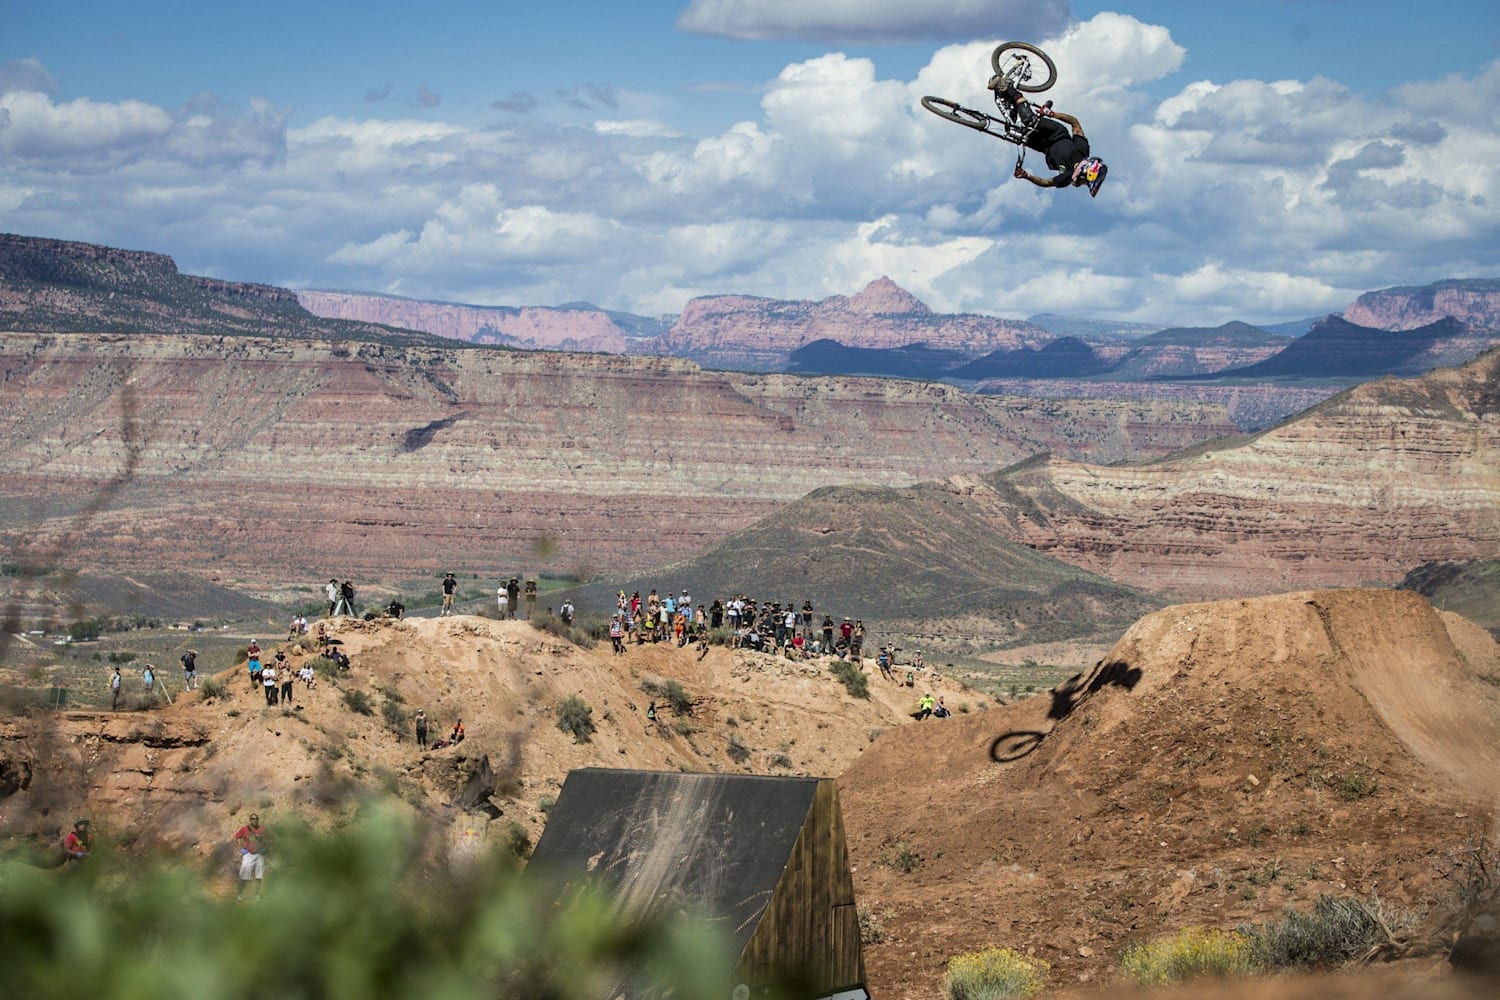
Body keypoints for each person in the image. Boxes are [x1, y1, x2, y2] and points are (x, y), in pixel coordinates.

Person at [991, 77, 1107, 197]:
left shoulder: (1066, 178)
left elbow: (1046, 182)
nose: (1081, 183)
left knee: (1014, 132)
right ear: (1087, 171)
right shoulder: (1083, 150)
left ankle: (1008, 99)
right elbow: (1074, 123)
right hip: (1055, 133)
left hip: (1043, 146)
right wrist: (1052, 114)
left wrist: (1027, 176)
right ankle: (1007, 86)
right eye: (1085, 181)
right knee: (1029, 120)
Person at [233, 813, 267, 901]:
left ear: (258, 820)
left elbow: (271, 840)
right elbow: (234, 838)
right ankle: (240, 894)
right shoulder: (244, 829)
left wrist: (266, 848)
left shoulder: (262, 829)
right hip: (248, 855)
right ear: (250, 820)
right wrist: (240, 850)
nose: (254, 820)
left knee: (259, 877)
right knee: (244, 876)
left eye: (256, 818)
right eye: (252, 818)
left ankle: (257, 895)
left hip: (259, 854)